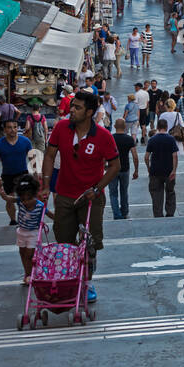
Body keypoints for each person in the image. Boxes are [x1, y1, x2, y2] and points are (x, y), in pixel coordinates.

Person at [39, 90, 121, 305]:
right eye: (72, 106)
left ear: (90, 112)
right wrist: (46, 184)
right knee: (64, 243)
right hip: (65, 194)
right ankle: (68, 281)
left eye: (76, 107)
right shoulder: (61, 128)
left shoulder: (103, 136)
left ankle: (86, 282)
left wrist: (98, 187)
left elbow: (115, 166)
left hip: (91, 197)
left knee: (90, 244)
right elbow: (49, 154)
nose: (71, 110)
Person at [0, 173, 44, 285]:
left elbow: (51, 214)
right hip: (21, 232)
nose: (25, 202)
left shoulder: (40, 205)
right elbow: (7, 198)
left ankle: (33, 274)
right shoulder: (19, 201)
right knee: (22, 253)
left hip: (33, 233)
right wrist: (1, 190)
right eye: (22, 199)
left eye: (28, 199)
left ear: (34, 195)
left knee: (29, 255)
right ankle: (27, 274)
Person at [0, 118, 34, 226]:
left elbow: (32, 158)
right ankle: (13, 220)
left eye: (15, 127)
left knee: (24, 198)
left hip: (22, 174)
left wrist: (36, 173)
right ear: (4, 129)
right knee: (9, 199)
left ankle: (24, 219)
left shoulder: (25, 141)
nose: (13, 130)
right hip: (7, 175)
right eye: (9, 127)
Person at [145, 119, 179, 218]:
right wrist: (174, 170)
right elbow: (175, 156)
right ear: (166, 127)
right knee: (170, 192)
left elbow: (146, 157)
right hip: (169, 171)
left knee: (156, 194)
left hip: (155, 171)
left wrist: (148, 168)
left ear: (158, 127)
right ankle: (170, 212)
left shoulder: (152, 139)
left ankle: (158, 214)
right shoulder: (171, 139)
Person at [110, 118, 139, 220]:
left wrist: (104, 165)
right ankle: (124, 212)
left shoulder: (111, 138)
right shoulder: (129, 139)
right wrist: (136, 170)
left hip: (112, 169)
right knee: (124, 191)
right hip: (125, 168)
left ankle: (117, 215)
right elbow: (135, 156)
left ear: (114, 126)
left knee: (113, 193)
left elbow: (104, 155)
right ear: (125, 127)